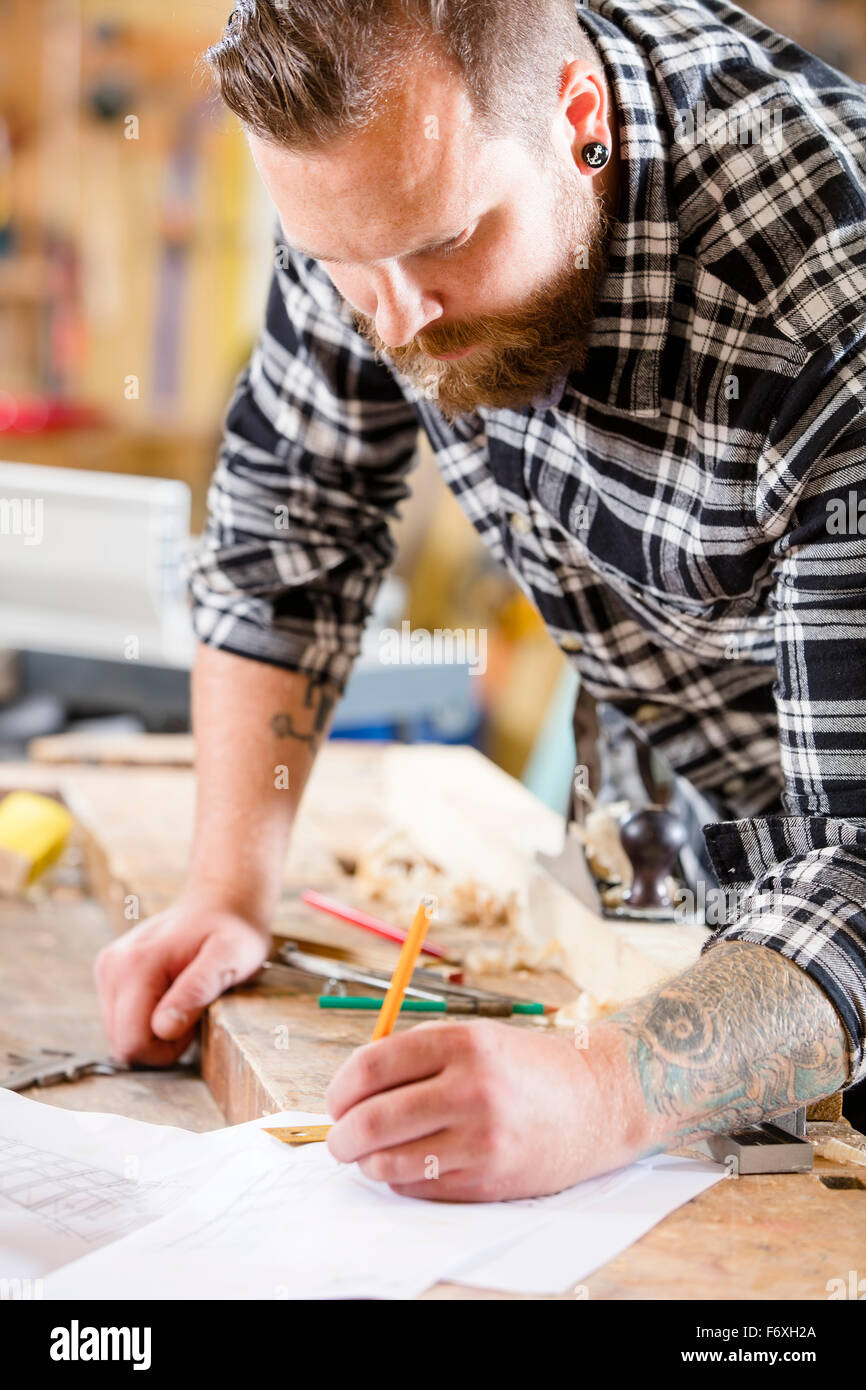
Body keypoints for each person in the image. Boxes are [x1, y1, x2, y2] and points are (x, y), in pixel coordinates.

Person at [95, 0, 866, 1199]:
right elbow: (290, 522)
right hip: (685, 820)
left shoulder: (830, 314)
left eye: (445, 242)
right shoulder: (379, 191)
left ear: (580, 123)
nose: (395, 320)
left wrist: (604, 1088)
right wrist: (226, 885)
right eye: (339, 261)